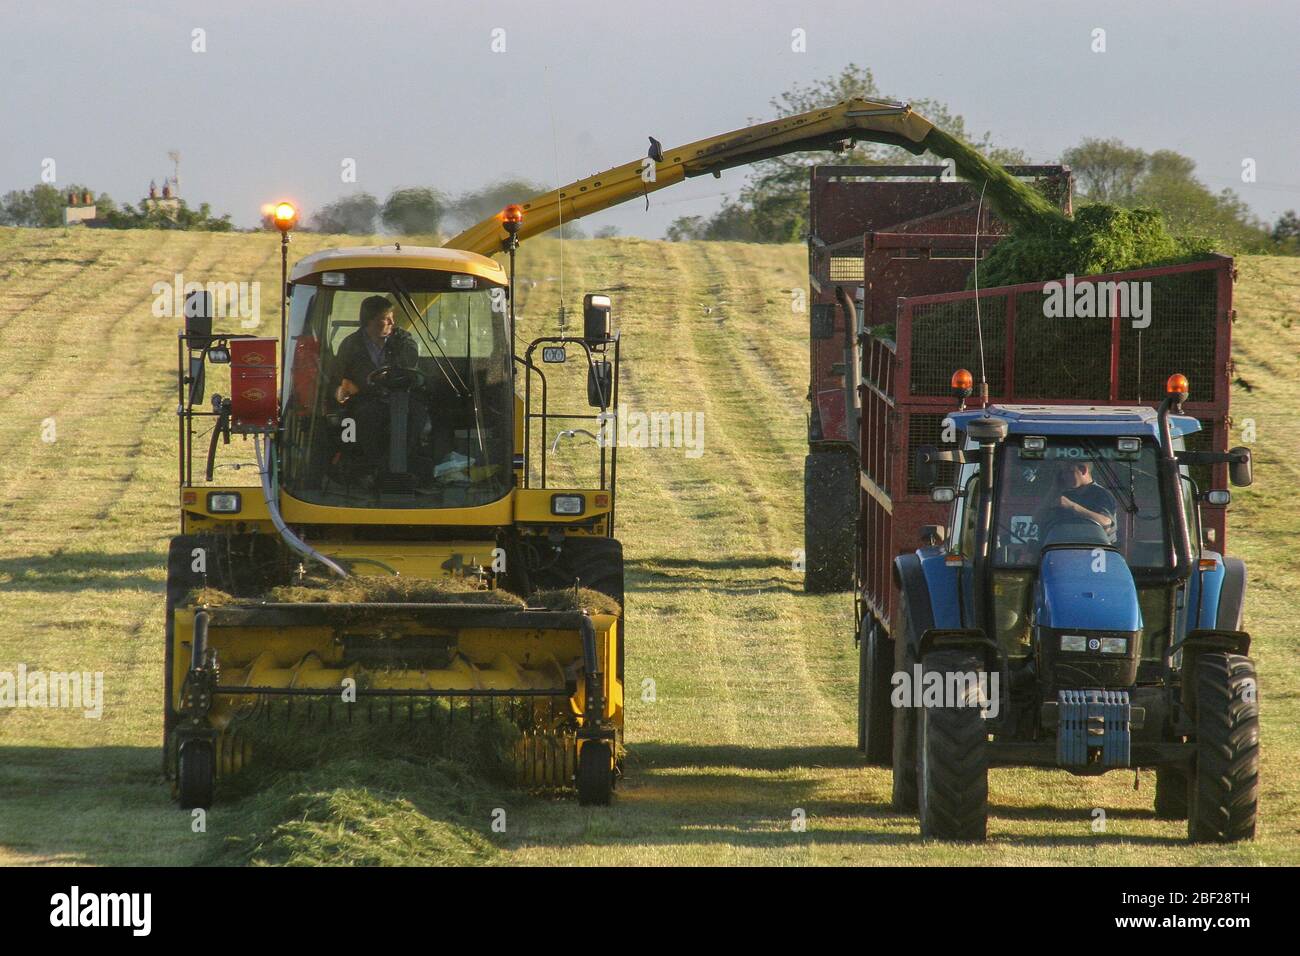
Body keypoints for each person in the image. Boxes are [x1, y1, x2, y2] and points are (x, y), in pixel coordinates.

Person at [329, 295, 428, 484]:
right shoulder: (350, 345)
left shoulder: (402, 339)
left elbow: (411, 361)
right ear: (370, 321)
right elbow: (337, 380)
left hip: (402, 397)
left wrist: (398, 350)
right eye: (385, 318)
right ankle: (374, 469)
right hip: (367, 399)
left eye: (392, 316)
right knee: (367, 417)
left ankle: (405, 467)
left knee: (417, 415)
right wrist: (342, 391)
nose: (392, 322)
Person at [1043, 459, 1117, 540]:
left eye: (1068, 471)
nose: (1063, 476)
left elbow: (1106, 523)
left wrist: (1072, 506)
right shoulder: (1067, 496)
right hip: (1064, 546)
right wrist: (1054, 489)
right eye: (1062, 472)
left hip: (1096, 548)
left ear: (1083, 470)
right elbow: (1038, 520)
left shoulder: (1102, 494)